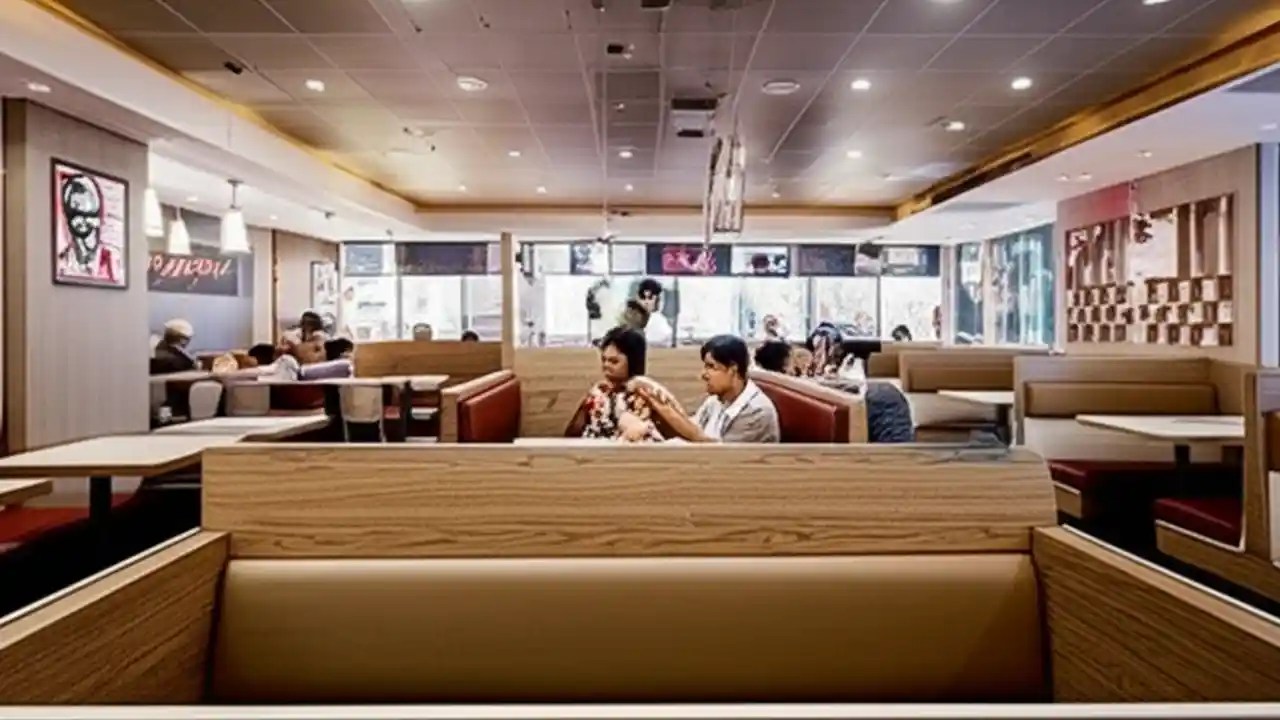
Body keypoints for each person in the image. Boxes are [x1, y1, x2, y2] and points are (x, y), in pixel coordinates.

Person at [636, 334, 780, 443]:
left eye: (711, 367)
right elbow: (686, 434)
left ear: (733, 370)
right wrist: (657, 414)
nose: (703, 375)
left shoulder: (757, 412)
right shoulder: (715, 401)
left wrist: (667, 411)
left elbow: (719, 456)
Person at [566, 326, 669, 443]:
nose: (606, 366)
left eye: (614, 361)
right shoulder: (598, 394)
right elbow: (571, 437)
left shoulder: (646, 395)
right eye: (604, 360)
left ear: (633, 362)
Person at [635, 278, 673, 346]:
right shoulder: (631, 317)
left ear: (658, 300)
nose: (646, 302)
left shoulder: (658, 321)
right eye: (642, 297)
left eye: (650, 298)